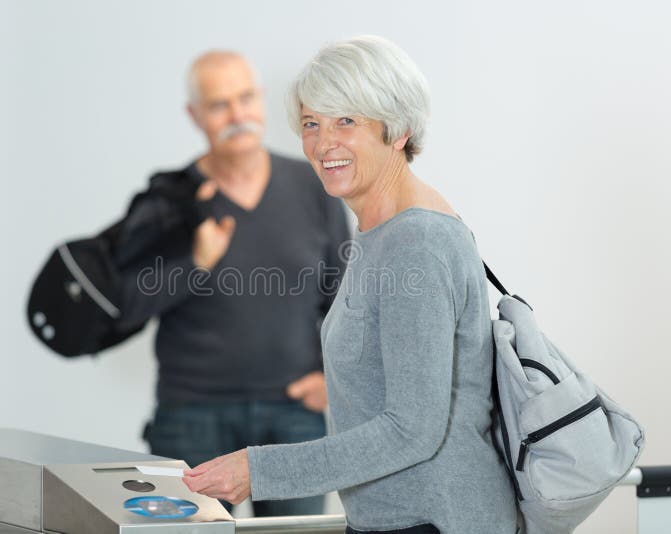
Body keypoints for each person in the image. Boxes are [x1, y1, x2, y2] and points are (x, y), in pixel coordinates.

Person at [182, 36, 518, 533]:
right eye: (312, 124)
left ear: (397, 129)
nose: (323, 143)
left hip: (437, 522)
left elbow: (411, 430)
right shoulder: (380, 233)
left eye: (346, 121)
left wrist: (259, 471)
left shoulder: (416, 241)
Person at [119, 51, 350, 516]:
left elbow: (346, 298)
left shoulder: (313, 186)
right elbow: (128, 305)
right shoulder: (168, 199)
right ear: (195, 115)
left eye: (245, 97)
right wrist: (195, 262)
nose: (237, 115)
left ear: (261, 100)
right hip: (190, 417)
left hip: (293, 418)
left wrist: (334, 378)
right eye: (219, 104)